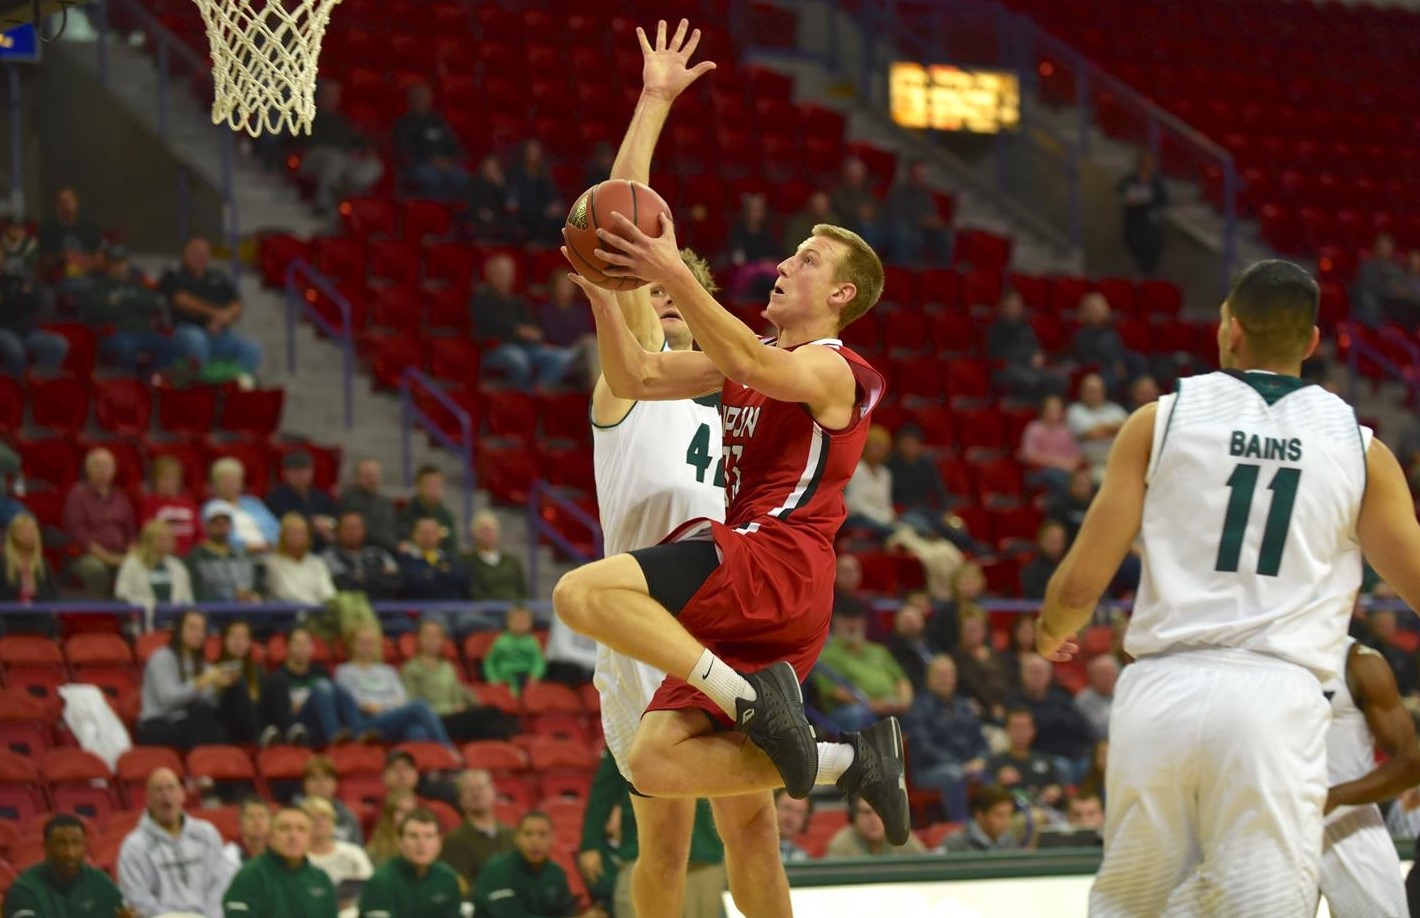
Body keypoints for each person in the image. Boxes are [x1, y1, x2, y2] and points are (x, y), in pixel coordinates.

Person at [1036, 259, 1420, 917]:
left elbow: (1079, 583)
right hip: (1277, 700)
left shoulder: (1160, 420)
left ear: (1229, 330)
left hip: (1160, 691)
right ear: (1311, 343)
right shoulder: (1361, 451)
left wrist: (1052, 633)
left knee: (1133, 904)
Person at [554, 187, 909, 883]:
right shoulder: (754, 357)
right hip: (754, 585)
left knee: (580, 594)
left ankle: (749, 701)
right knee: (656, 764)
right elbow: (639, 372)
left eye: (806, 260)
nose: (783, 265)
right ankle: (854, 760)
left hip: (777, 562)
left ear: (841, 293)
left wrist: (672, 274)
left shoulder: (840, 369)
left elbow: (754, 365)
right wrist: (604, 297)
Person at [1318, 639, 1420, 917]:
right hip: (1273, 819)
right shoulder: (1251, 654)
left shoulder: (1357, 659)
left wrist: (1335, 798)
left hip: (1349, 821)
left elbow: (1411, 762)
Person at [578, 748, 726, 918]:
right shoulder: (633, 724)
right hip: (640, 850)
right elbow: (603, 791)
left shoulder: (717, 724)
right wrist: (590, 843)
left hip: (703, 854)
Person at [118, 767, 235, 918]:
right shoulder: (134, 846)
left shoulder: (207, 834)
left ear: (182, 795)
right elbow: (137, 899)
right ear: (148, 799)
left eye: (171, 787)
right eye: (158, 790)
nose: (166, 794)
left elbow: (220, 883)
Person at [160, 235, 263, 377]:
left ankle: (236, 385)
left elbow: (236, 304)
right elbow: (181, 300)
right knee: (197, 339)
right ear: (185, 253)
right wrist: (214, 313)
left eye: (204, 253)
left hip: (218, 332)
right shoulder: (173, 274)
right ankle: (202, 387)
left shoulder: (219, 277)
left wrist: (222, 318)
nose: (200, 256)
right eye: (195, 252)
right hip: (185, 330)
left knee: (252, 347)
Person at [335, 625, 454, 746]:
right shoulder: (344, 672)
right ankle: (448, 750)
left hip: (392, 718)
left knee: (417, 731)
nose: (367, 647)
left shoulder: (388, 671)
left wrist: (382, 706)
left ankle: (428, 762)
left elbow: (402, 698)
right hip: (368, 723)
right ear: (352, 645)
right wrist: (388, 704)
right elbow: (359, 703)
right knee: (420, 705)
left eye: (371, 643)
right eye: (362, 643)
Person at [470, 253, 574, 389]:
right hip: (496, 348)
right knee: (517, 358)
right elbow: (487, 325)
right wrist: (516, 330)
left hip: (526, 346)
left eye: (508, 273)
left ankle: (539, 390)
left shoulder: (518, 301)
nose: (505, 277)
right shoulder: (481, 299)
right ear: (489, 274)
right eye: (500, 273)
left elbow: (533, 324)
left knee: (563, 357)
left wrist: (536, 333)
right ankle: (524, 395)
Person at [903, 655, 988, 820]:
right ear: (929, 679)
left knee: (999, 772)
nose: (945, 680)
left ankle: (997, 829)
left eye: (949, 675)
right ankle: (962, 826)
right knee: (954, 775)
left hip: (968, 767)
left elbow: (982, 742)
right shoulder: (918, 709)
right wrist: (960, 765)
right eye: (940, 675)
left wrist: (981, 759)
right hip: (929, 771)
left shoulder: (965, 707)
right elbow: (923, 748)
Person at [472, 812, 604, 918]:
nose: (535, 841)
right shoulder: (497, 870)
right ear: (516, 838)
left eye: (542, 834)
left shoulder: (556, 874)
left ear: (552, 839)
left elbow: (565, 913)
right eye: (528, 834)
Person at [137, 609, 236, 748]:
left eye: (202, 629)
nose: (199, 634)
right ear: (178, 630)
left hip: (190, 721)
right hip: (159, 723)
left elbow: (208, 705)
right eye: (193, 628)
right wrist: (202, 681)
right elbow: (169, 701)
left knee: (232, 697)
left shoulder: (202, 663)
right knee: (210, 728)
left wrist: (218, 688)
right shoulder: (162, 658)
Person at [403, 618, 514, 741]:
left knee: (491, 723)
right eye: (427, 636)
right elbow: (411, 703)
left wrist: (467, 704)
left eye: (436, 636)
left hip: (455, 715)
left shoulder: (448, 667)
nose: (432, 640)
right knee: (491, 716)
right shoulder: (411, 668)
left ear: (442, 640)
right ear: (419, 639)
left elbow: (459, 691)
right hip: (435, 720)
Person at [5, 814, 134, 918]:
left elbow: (123, 912)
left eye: (76, 843)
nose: (70, 853)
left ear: (85, 847)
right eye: (62, 844)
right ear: (46, 848)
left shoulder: (100, 881)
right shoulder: (25, 889)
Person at [222, 807, 338, 918]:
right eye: (284, 828)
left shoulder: (321, 880)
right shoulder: (250, 876)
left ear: (310, 838)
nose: (293, 835)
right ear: (270, 836)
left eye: (301, 829)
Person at [813, 606, 913, 732]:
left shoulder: (878, 650)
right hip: (851, 710)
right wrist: (873, 705)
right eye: (847, 621)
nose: (852, 625)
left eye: (856, 620)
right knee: (858, 713)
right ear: (835, 623)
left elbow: (901, 680)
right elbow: (837, 693)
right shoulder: (827, 655)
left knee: (918, 711)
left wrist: (904, 702)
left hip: (891, 705)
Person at [85, 246, 183, 372]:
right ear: (107, 265)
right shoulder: (98, 287)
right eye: (115, 263)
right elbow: (102, 311)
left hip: (144, 333)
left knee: (170, 345)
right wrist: (133, 303)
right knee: (125, 346)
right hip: (116, 334)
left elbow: (152, 303)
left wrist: (123, 302)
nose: (119, 267)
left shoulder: (138, 285)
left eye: (122, 262)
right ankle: (130, 384)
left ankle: (154, 382)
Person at [357, 808, 464, 918]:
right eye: (413, 836)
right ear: (400, 842)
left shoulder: (447, 878)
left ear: (439, 843)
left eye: (429, 836)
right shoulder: (381, 881)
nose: (421, 843)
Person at [216, 619, 304, 747]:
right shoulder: (215, 669)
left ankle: (289, 730)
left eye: (244, 638)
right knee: (237, 686)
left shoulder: (257, 670)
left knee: (277, 680)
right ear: (225, 640)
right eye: (235, 637)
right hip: (232, 724)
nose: (239, 642)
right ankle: (260, 735)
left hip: (259, 718)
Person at [299, 81, 384, 213]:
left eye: (334, 96)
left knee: (374, 165)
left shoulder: (342, 120)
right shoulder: (309, 116)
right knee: (335, 158)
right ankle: (323, 204)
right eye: (328, 95)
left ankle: (346, 189)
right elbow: (301, 140)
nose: (331, 99)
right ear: (320, 96)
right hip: (314, 157)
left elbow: (355, 140)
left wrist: (367, 149)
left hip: (343, 158)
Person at [64, 446, 137, 597]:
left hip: (120, 553)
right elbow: (80, 535)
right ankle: (98, 615)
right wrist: (109, 558)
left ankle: (129, 615)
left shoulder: (120, 497)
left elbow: (131, 532)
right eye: (98, 466)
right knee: (96, 570)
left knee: (139, 568)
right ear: (88, 469)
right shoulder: (78, 495)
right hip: (88, 555)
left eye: (107, 466)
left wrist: (131, 555)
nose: (103, 471)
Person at [1006, 653, 1093, 773]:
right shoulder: (1014, 700)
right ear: (1022, 674)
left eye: (1040, 672)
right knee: (1061, 766)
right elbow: (1032, 730)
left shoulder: (1061, 696)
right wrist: (1058, 722)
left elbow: (1080, 724)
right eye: (1032, 672)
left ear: (1049, 675)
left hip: (1073, 752)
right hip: (1040, 754)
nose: (1036, 676)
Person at [440, 769, 515, 890]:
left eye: (481, 788)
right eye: (469, 790)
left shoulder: (512, 836)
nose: (477, 793)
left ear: (493, 793)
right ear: (460, 800)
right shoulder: (453, 841)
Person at [393, 83, 468, 201]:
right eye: (417, 97)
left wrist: (450, 161)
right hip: (418, 164)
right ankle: (435, 212)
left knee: (461, 178)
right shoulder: (403, 124)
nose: (421, 100)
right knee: (431, 178)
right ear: (410, 101)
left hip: (445, 163)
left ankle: (452, 212)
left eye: (424, 97)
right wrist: (431, 161)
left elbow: (454, 145)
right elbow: (404, 151)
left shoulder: (438, 122)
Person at [986, 290, 1065, 401]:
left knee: (1058, 379)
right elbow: (997, 355)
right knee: (1034, 381)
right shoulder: (996, 329)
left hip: (1030, 367)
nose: (1015, 308)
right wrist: (1026, 357)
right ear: (1003, 307)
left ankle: (1052, 412)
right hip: (1009, 368)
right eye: (1011, 305)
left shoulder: (1026, 327)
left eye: (1017, 305)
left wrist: (1038, 354)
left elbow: (1036, 346)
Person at [302, 796, 373, 911]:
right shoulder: (296, 858)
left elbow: (371, 889)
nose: (319, 821)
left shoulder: (354, 853)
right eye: (312, 817)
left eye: (323, 817)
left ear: (333, 822)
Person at [987, 708, 1064, 812]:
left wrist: (1055, 791)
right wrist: (999, 782)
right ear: (1006, 730)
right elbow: (986, 797)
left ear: (1033, 730)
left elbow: (1059, 790)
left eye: (1025, 728)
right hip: (1012, 816)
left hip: (1045, 811)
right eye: (1016, 728)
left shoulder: (1045, 760)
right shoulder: (995, 762)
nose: (1021, 733)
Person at [186, 503, 263, 603]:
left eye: (225, 522)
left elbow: (255, 584)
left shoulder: (243, 555)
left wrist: (253, 594)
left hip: (245, 609)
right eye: (216, 523)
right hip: (212, 610)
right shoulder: (196, 556)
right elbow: (197, 591)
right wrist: (231, 595)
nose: (221, 526)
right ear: (206, 526)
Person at [321, 510, 404, 601]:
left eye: (357, 527)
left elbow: (397, 582)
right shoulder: (330, 555)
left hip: (384, 607)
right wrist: (378, 574)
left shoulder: (378, 553)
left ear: (364, 530)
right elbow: (344, 584)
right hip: (348, 608)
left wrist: (362, 578)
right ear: (338, 531)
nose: (352, 532)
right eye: (347, 528)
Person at [265, 451, 339, 549]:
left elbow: (335, 517)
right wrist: (313, 523)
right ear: (285, 473)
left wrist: (329, 523)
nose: (301, 475)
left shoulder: (320, 496)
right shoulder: (276, 498)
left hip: (324, 547)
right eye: (295, 471)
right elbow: (281, 523)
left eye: (305, 470)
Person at [35, 186, 104, 291]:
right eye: (61, 202)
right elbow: (41, 262)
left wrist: (85, 261)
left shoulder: (90, 227)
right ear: (56, 206)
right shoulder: (47, 230)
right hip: (58, 279)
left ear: (76, 203)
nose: (66, 206)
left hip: (87, 277)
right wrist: (60, 257)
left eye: (68, 201)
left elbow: (100, 259)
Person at [116, 520, 195, 611]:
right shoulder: (133, 563)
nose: (165, 541)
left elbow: (187, 599)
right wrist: (147, 605)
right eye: (160, 537)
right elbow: (122, 594)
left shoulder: (178, 566)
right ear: (148, 539)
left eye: (168, 537)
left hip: (174, 620)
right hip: (143, 619)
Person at [205, 457, 280, 552]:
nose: (231, 486)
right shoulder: (211, 507)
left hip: (268, 550)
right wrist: (248, 546)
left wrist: (269, 543)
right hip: (237, 554)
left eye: (235, 481)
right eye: (226, 482)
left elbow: (273, 526)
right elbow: (220, 534)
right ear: (216, 484)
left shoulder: (253, 503)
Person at [264, 514, 338, 609]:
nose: (298, 537)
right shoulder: (272, 563)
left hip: (319, 612)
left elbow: (328, 592)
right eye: (293, 533)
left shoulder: (317, 562)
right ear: (282, 536)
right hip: (289, 614)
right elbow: (284, 593)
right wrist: (313, 606)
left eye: (302, 533)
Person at [884, 160, 950, 264]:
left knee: (944, 236)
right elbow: (895, 215)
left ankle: (941, 273)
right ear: (909, 175)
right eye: (917, 175)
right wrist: (919, 221)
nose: (920, 179)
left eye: (922, 176)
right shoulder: (898, 192)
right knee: (906, 235)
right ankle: (904, 271)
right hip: (906, 228)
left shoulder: (925, 195)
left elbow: (931, 213)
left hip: (925, 230)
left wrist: (934, 221)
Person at [1066, 373, 1128, 484]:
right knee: (1110, 482)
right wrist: (1115, 428)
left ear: (1103, 391)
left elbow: (1129, 430)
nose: (1093, 393)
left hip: (1120, 461)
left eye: (1097, 389)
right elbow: (1091, 434)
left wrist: (1101, 428)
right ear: (1082, 392)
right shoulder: (1075, 411)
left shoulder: (1116, 410)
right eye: (1089, 389)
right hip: (1091, 465)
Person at [951, 606, 1009, 722]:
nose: (974, 634)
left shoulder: (996, 655)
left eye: (977, 629)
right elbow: (970, 685)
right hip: (975, 710)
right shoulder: (957, 657)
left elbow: (1007, 681)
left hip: (1004, 706)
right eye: (969, 630)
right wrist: (991, 707)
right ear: (962, 632)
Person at [0, 515, 59, 628]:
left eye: (31, 530)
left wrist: (51, 608)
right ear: (13, 535)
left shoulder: (43, 564)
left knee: (53, 623)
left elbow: (54, 593)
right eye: (22, 531)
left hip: (39, 615)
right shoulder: (3, 563)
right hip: (9, 616)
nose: (27, 534)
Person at [1019, 395, 1082, 497]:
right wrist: (1059, 463)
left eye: (1056, 410)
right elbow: (1030, 455)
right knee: (1055, 476)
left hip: (1064, 471)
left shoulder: (1066, 431)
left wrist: (1072, 465)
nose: (1053, 414)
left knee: (1082, 479)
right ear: (1043, 411)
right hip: (1039, 471)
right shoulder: (1034, 428)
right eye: (1050, 410)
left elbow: (1076, 456)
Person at [824, 795, 926, 858]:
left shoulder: (902, 839)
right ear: (853, 816)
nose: (874, 819)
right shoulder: (840, 845)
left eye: (880, 813)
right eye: (867, 812)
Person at [1117, 149, 1167, 276]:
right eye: (1147, 163)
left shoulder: (1156, 183)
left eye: (1152, 163)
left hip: (1152, 228)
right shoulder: (1129, 180)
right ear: (1140, 163)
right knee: (1136, 258)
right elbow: (1121, 196)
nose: (1149, 166)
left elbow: (1163, 199)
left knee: (1152, 261)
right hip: (1134, 226)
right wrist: (1131, 201)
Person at [294, 756, 364, 845]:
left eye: (326, 778)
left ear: (335, 783)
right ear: (304, 784)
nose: (321, 784)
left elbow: (357, 849)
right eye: (314, 778)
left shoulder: (347, 817)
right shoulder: (293, 814)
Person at [397, 517, 469, 603]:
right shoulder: (406, 559)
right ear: (414, 535)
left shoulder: (448, 558)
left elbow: (462, 578)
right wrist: (443, 573)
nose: (428, 537)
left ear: (439, 535)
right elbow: (414, 582)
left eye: (431, 533)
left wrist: (430, 575)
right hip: (421, 609)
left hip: (453, 607)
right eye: (424, 533)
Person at [139, 455, 200, 555]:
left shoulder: (189, 504)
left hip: (190, 555)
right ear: (155, 481)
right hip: (161, 554)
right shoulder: (149, 503)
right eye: (164, 479)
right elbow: (148, 534)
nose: (169, 483)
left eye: (173, 478)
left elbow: (200, 535)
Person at [508, 138, 564, 242]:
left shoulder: (544, 175)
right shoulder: (517, 175)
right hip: (526, 216)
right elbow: (520, 203)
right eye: (532, 152)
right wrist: (545, 210)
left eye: (537, 151)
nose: (535, 155)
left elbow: (553, 196)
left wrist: (555, 207)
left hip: (546, 216)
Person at [465, 511, 528, 602]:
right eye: (484, 530)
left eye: (492, 530)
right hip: (486, 612)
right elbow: (474, 593)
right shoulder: (468, 561)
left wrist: (520, 610)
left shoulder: (512, 562)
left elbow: (523, 592)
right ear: (475, 533)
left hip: (514, 611)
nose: (488, 534)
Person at [482, 606, 546, 696]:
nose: (520, 624)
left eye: (524, 621)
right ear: (508, 622)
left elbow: (538, 662)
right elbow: (490, 662)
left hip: (526, 677)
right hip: (505, 678)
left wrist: (535, 676)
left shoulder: (532, 642)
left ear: (531, 623)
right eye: (516, 620)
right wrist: (494, 679)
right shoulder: (501, 641)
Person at [339, 458, 399, 552]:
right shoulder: (349, 501)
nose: (372, 479)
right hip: (365, 552)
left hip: (389, 550)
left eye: (375, 475)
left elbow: (395, 527)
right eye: (367, 476)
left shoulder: (385, 502)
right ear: (357, 477)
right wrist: (393, 544)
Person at [1350, 234, 1410, 328]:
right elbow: (1368, 295)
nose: (1384, 250)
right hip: (1370, 315)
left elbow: (1404, 292)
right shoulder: (1367, 269)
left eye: (1387, 247)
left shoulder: (1397, 270)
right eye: (1381, 247)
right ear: (1375, 248)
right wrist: (1393, 291)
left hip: (1395, 315)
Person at [395, 466, 457, 555]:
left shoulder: (446, 517)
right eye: (429, 485)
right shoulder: (406, 515)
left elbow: (452, 548)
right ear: (418, 487)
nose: (433, 489)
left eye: (437, 485)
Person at [939, 785, 1019, 853]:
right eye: (999, 815)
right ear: (980, 816)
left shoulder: (1010, 840)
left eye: (1009, 815)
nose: (1006, 821)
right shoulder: (956, 843)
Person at [882, 602, 936, 692]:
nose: (910, 623)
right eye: (906, 620)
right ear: (896, 624)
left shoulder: (933, 643)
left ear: (922, 621)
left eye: (914, 619)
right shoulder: (893, 650)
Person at [466, 154, 514, 241]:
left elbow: (509, 204)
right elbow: (471, 202)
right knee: (484, 222)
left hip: (498, 214)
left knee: (510, 221)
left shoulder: (502, 183)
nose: (492, 170)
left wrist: (501, 186)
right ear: (484, 168)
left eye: (494, 167)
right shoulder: (475, 182)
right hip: (479, 213)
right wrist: (481, 211)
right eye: (489, 167)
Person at [366, 790, 418, 868]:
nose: (408, 816)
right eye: (402, 811)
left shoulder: (424, 843)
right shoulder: (376, 848)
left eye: (411, 812)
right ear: (389, 814)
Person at [1074, 654, 1118, 741]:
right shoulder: (1083, 700)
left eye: (1110, 673)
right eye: (1102, 674)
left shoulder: (1124, 694)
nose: (1107, 678)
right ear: (1091, 676)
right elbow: (1095, 731)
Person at [1019, 520, 1067, 600]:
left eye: (1061, 541)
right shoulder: (1031, 572)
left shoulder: (1067, 568)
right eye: (1053, 541)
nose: (1058, 546)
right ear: (1042, 541)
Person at [224, 797, 272, 865]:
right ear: (240, 822)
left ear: (270, 822)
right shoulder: (229, 856)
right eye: (251, 817)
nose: (257, 822)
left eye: (262, 816)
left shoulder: (280, 851)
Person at [773, 790, 812, 863]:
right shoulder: (750, 850)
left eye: (799, 813)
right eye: (786, 808)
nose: (791, 818)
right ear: (772, 807)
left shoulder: (804, 859)